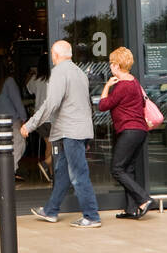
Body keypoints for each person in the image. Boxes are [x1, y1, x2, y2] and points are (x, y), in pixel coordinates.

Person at [21, 40, 101, 227]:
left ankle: (91, 216)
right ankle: (51, 211)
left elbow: (51, 104)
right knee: (63, 172)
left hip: (70, 131)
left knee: (78, 175)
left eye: (52, 53)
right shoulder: (79, 72)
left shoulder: (59, 72)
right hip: (78, 130)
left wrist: (30, 125)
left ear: (55, 55)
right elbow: (85, 103)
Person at [98, 46, 153, 220]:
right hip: (140, 130)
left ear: (116, 65)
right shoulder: (134, 82)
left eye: (111, 63)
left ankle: (143, 199)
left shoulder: (122, 86)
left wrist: (107, 86)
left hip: (129, 130)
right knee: (128, 169)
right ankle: (131, 209)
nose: (110, 66)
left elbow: (102, 105)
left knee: (117, 169)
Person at [25, 53, 52, 182]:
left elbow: (28, 89)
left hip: (40, 118)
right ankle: (47, 165)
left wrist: (30, 74)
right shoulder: (54, 78)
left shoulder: (35, 79)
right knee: (55, 146)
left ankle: (50, 173)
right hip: (52, 117)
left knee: (49, 145)